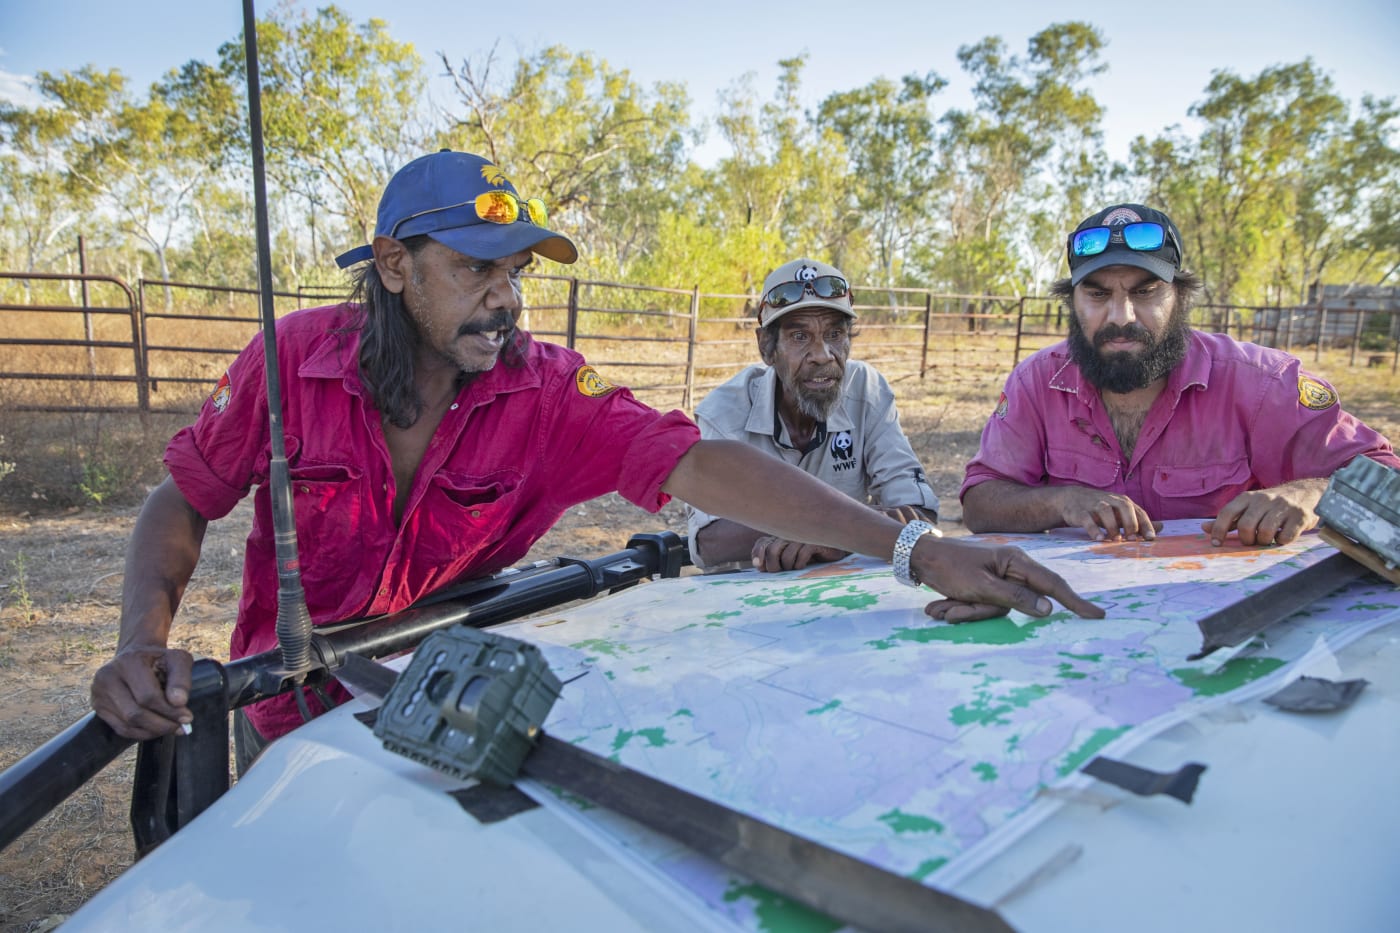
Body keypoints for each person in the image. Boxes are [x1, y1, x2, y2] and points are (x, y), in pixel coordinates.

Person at [91, 150, 1102, 772]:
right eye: (473, 269)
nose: (505, 298)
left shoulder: (545, 393)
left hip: (446, 698)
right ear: (394, 267)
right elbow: (184, 499)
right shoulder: (285, 363)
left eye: (515, 272)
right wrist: (144, 636)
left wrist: (913, 550)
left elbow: (695, 462)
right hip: (285, 709)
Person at [960, 202, 1400, 546]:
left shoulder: (1261, 382)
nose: (1121, 316)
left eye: (1145, 292)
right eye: (1096, 294)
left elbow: (1387, 477)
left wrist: (1307, 496)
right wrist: (1062, 501)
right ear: (1072, 303)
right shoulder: (1036, 382)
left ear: (1180, 298)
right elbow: (981, 505)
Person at [687, 258, 939, 572]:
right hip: (747, 600)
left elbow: (919, 513)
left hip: (845, 591)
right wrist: (831, 528)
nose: (822, 355)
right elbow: (709, 541)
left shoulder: (866, 391)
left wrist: (834, 534)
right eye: (800, 337)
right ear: (767, 347)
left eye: (834, 334)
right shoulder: (725, 413)